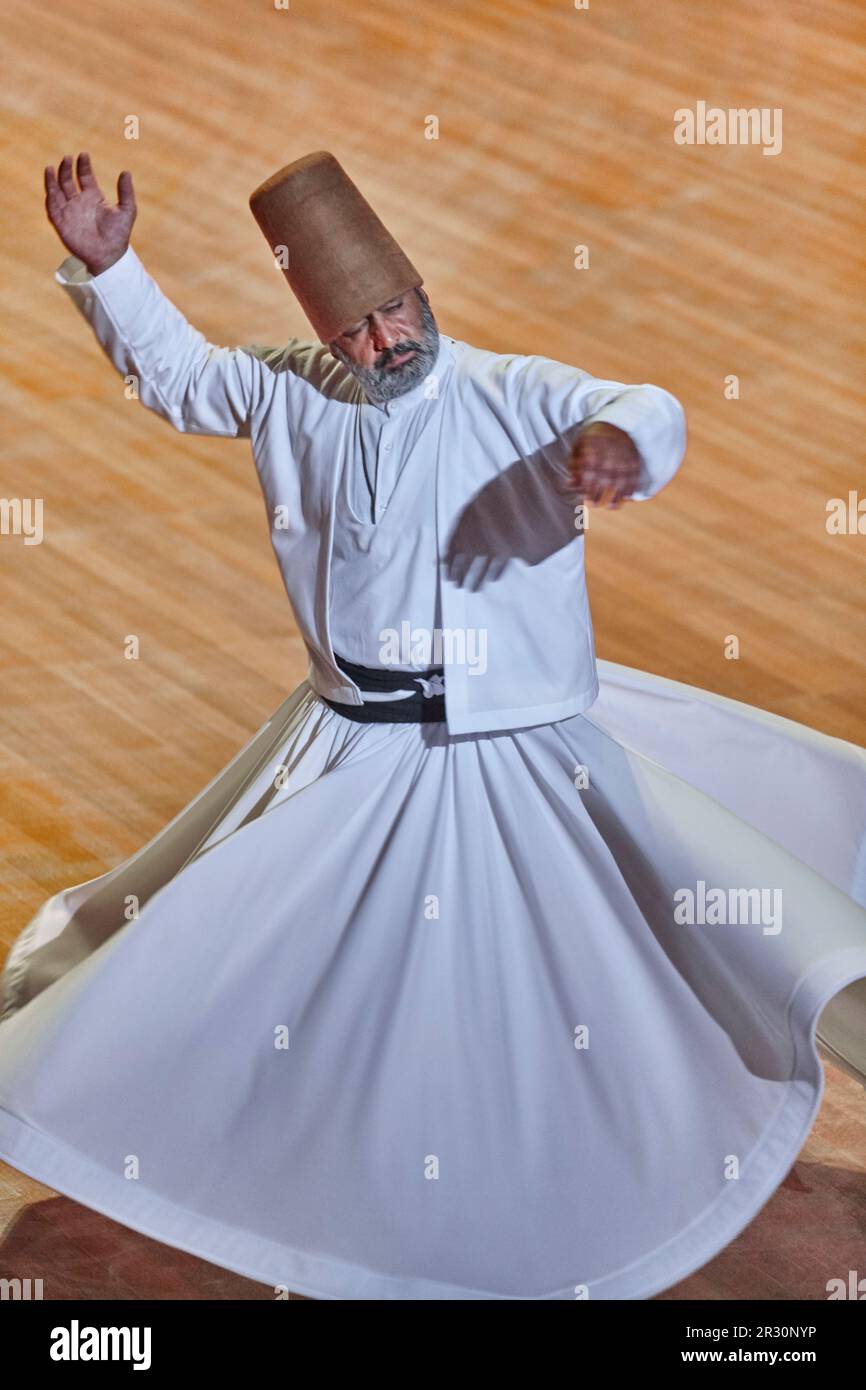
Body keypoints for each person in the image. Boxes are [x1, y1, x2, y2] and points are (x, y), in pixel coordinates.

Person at [0, 149, 864, 1302]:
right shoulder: (288, 387)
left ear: (421, 292)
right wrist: (109, 268)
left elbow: (638, 405)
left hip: (504, 755)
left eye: (394, 310)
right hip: (346, 744)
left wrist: (624, 448)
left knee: (551, 979)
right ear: (322, 326)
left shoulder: (512, 393)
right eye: (354, 327)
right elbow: (178, 377)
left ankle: (545, 1177)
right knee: (261, 953)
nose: (382, 340)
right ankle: (317, 1171)